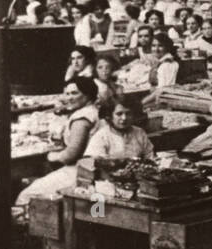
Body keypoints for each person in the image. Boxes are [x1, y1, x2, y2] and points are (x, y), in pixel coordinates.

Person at [15, 77, 101, 205]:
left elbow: (70, 155)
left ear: (87, 94)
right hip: (92, 169)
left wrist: (50, 156)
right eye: (67, 93)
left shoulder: (82, 117)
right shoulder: (94, 111)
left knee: (27, 195)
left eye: (74, 93)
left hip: (81, 172)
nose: (69, 98)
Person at [84, 95, 155, 159]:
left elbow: (149, 155)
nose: (124, 118)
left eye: (128, 113)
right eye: (119, 114)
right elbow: (97, 162)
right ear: (109, 116)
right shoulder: (102, 136)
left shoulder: (139, 132)